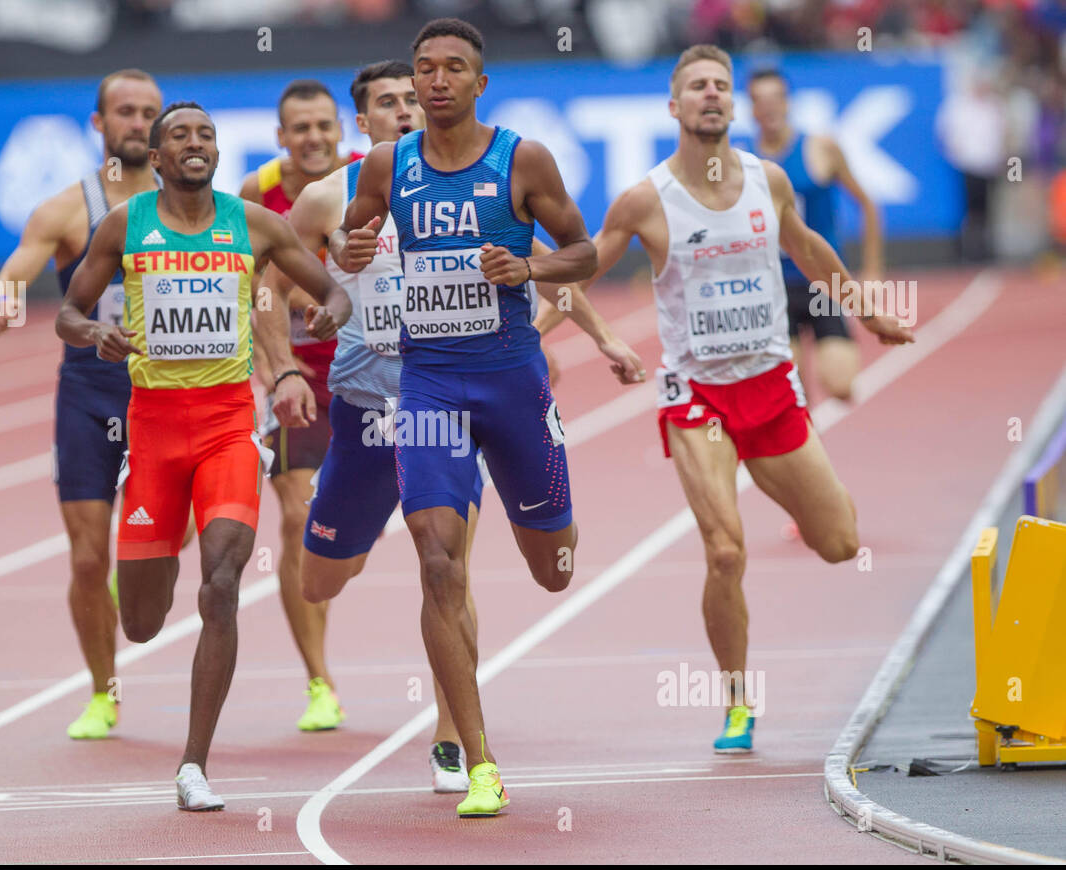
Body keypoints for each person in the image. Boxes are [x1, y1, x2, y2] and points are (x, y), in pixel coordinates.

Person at [262, 59, 643, 789]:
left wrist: (597, 337)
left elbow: (546, 255)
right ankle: (351, 552)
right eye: (389, 103)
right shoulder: (328, 200)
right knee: (320, 580)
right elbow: (267, 291)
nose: (407, 110)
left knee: (444, 564)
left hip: (441, 402)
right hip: (367, 414)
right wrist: (288, 358)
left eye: (414, 98)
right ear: (362, 125)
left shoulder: (474, 181)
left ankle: (454, 738)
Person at [584, 45, 914, 754]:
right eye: (697, 87)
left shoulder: (770, 180)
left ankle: (774, 473)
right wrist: (568, 330)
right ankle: (736, 702)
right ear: (674, 107)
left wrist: (867, 311)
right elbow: (585, 265)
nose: (711, 95)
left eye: (720, 86)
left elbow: (810, 247)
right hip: (694, 392)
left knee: (839, 542)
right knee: (725, 551)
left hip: (770, 387)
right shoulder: (646, 197)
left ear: (731, 105)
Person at [333, 19, 605, 817]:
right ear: (413, 86)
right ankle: (477, 760)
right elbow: (355, 239)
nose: (438, 80)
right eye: (426, 69)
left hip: (513, 384)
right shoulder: (386, 165)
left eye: (455, 68)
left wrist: (529, 265)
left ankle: (552, 527)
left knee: (552, 569)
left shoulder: (521, 158)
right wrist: (353, 252)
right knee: (436, 558)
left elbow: (584, 251)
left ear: (480, 83)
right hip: (428, 387)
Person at [56, 101, 349, 811]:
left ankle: (194, 765)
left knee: (220, 584)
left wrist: (327, 314)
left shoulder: (253, 224)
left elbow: (332, 291)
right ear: (155, 159)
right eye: (179, 136)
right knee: (144, 623)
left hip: (225, 427)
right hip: (153, 434)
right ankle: (145, 587)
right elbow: (68, 312)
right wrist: (94, 336)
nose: (195, 143)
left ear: (217, 153)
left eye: (206, 135)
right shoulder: (125, 225)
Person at [0, 70, 164, 741]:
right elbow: (19, 266)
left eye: (150, 111)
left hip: (169, 398)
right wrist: (2, 296)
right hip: (89, 397)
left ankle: (134, 582)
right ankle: (102, 692)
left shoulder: (190, 206)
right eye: (125, 111)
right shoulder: (66, 208)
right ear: (99, 124)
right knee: (89, 558)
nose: (138, 122)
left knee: (174, 534)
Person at [239, 79, 366, 732]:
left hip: (369, 379)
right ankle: (319, 680)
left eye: (324, 125)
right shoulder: (257, 196)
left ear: (341, 130)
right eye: (300, 128)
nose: (314, 137)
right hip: (297, 382)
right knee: (296, 516)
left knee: (345, 543)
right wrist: (274, 370)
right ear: (281, 137)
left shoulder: (365, 183)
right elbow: (249, 290)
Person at [749, 68, 882, 402]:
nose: (769, 108)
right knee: (791, 394)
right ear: (750, 108)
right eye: (759, 100)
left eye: (775, 98)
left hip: (821, 281)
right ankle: (807, 443)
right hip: (774, 287)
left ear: (788, 102)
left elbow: (867, 204)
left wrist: (872, 271)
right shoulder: (743, 160)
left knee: (839, 385)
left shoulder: (820, 148)